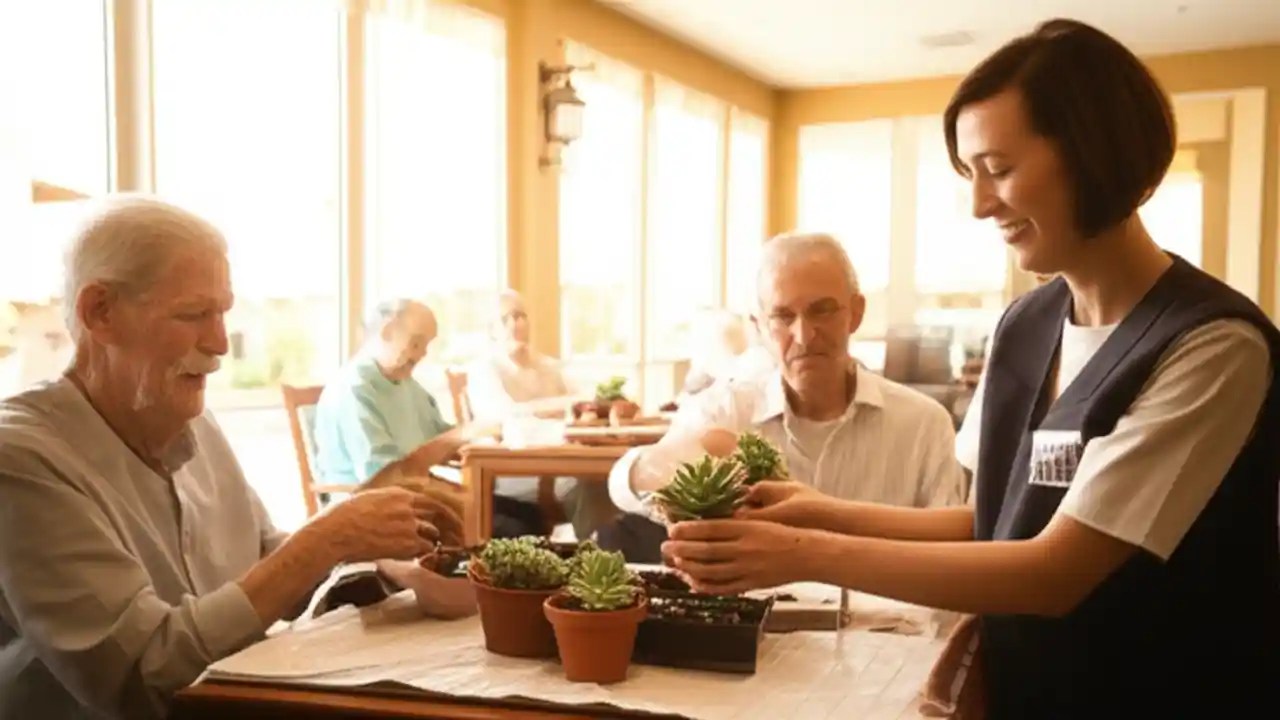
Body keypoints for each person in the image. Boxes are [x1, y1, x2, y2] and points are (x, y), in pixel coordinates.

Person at [663, 19, 1279, 718]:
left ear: (1093, 152)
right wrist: (819, 510)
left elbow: (1053, 572)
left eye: (1000, 169)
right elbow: (992, 522)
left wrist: (802, 550)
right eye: (971, 175)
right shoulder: (1027, 324)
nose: (981, 205)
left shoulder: (1212, 346)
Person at [0, 196, 462, 720]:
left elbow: (265, 567)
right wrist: (326, 538)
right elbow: (143, 677)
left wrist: (382, 553)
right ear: (98, 312)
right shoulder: (22, 457)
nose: (220, 344)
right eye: (193, 314)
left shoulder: (194, 419)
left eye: (222, 312)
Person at [597, 232, 966, 561]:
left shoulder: (923, 424)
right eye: (783, 317)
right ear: (759, 326)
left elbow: (952, 552)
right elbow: (624, 485)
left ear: (855, 313)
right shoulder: (724, 410)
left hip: (890, 628)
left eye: (822, 311)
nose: (804, 335)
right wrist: (660, 469)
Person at [312, 299, 545, 537]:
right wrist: (459, 437)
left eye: (426, 345)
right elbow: (381, 476)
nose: (422, 354)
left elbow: (443, 438)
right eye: (417, 343)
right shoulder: (355, 388)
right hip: (371, 505)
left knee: (532, 514)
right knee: (515, 529)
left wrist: (488, 436)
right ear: (387, 332)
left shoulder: (405, 383)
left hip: (419, 493)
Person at [466, 290, 619, 539]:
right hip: (518, 469)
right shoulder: (484, 370)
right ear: (491, 330)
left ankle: (614, 561)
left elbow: (585, 397)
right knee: (590, 486)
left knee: (615, 479)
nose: (515, 324)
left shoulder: (547, 365)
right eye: (505, 319)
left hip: (567, 460)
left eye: (520, 316)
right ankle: (595, 564)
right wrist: (564, 407)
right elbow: (505, 418)